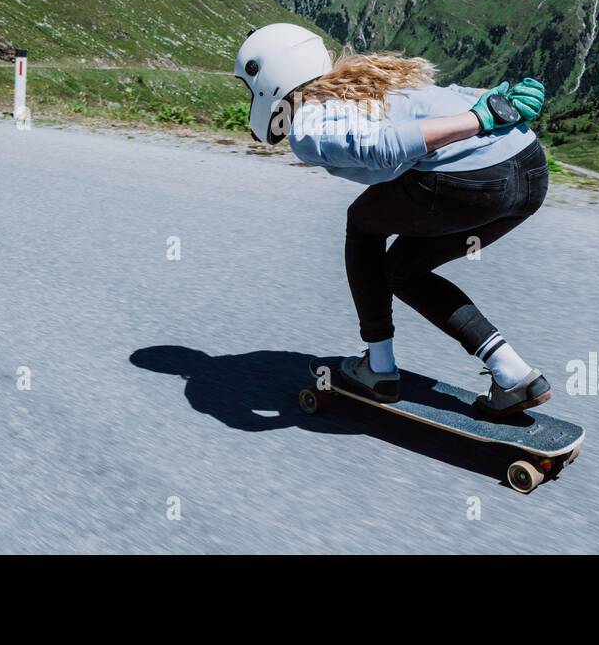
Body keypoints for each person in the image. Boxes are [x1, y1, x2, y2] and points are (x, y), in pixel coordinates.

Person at [234, 23, 551, 417]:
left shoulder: (309, 125)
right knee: (403, 271)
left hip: (477, 181)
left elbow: (383, 148)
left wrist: (479, 118)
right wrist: (494, 98)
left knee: (362, 225)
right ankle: (513, 374)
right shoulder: (368, 76)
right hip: (530, 170)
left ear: (267, 77)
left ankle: (379, 367)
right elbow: (449, 98)